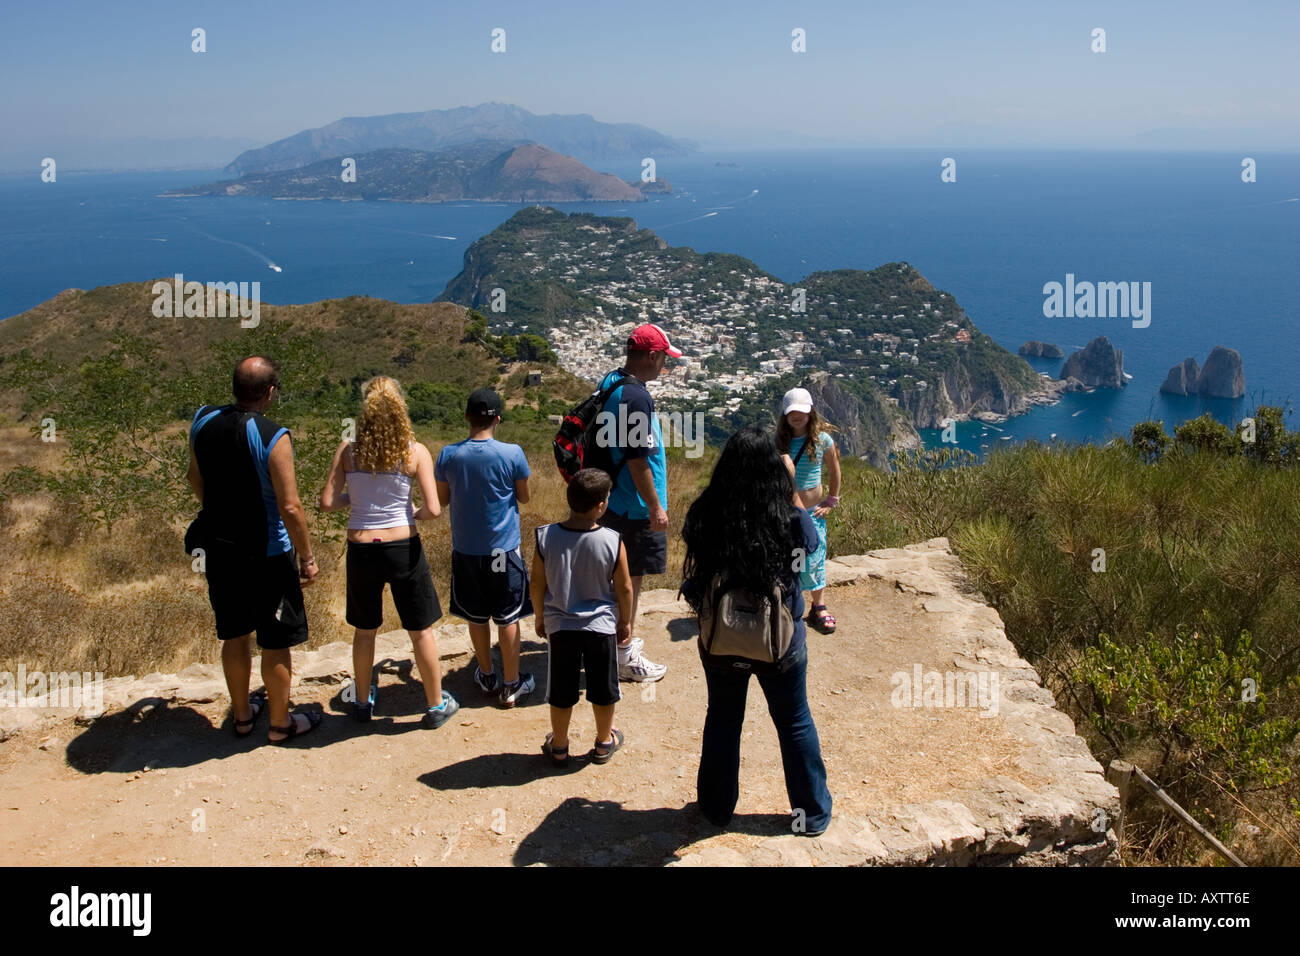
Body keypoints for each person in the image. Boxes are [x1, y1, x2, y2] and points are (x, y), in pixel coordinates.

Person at [680, 428, 832, 835]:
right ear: (774, 471)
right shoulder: (786, 516)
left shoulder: (706, 512)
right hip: (780, 641)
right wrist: (791, 492)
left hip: (720, 638)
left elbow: (696, 557)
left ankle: (715, 810)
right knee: (794, 720)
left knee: (723, 720)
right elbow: (811, 543)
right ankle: (811, 815)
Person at [186, 355, 322, 744]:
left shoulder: (202, 420)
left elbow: (194, 477)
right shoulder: (273, 435)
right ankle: (281, 724)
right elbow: (291, 506)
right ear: (271, 392)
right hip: (268, 554)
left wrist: (214, 512)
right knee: (276, 640)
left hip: (219, 548)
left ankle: (243, 717)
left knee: (235, 634)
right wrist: (308, 558)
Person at [319, 376, 459, 729]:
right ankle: (435, 703)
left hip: (362, 546)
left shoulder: (348, 449)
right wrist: (408, 512)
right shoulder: (415, 451)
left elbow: (328, 502)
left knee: (365, 630)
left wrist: (357, 499)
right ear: (401, 409)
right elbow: (433, 508)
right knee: (420, 629)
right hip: (402, 544)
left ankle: (363, 701)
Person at [435, 388, 536, 707]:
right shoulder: (512, 453)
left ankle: (487, 674)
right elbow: (524, 497)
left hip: (467, 551)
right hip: (502, 551)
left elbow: (441, 501)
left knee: (476, 616)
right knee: (507, 616)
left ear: (467, 417)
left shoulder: (448, 455)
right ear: (497, 418)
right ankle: (511, 683)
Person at [593, 323, 682, 683]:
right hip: (633, 507)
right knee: (631, 580)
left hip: (616, 498)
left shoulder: (612, 382)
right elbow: (637, 458)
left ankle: (612, 643)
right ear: (650, 355)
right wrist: (656, 507)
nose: (666, 365)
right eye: (664, 358)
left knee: (616, 579)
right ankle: (624, 655)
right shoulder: (635, 397)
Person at [530, 469, 634, 766]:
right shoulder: (612, 540)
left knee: (561, 690)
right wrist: (624, 621)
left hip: (561, 626)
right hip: (600, 626)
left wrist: (540, 616)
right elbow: (624, 587)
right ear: (601, 505)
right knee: (603, 688)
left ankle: (560, 745)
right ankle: (603, 742)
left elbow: (537, 583)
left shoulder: (546, 536)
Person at [776, 387, 842, 634]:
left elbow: (835, 469)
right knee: (792, 557)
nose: (797, 416)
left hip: (813, 512)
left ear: (810, 412)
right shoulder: (779, 442)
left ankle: (818, 606)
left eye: (801, 411)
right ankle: (792, 603)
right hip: (787, 512)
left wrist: (831, 500)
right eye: (792, 411)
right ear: (785, 414)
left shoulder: (822, 440)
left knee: (814, 557)